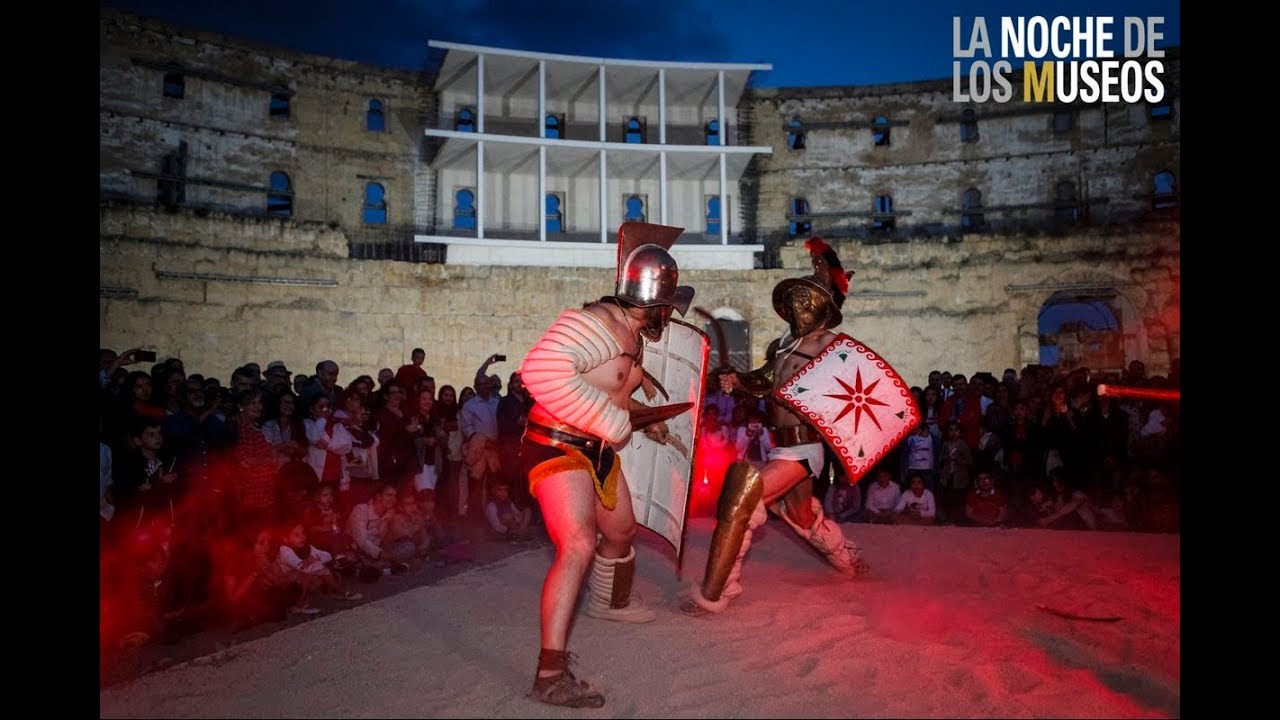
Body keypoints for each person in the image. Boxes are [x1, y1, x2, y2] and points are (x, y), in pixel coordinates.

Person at [518, 222, 696, 708]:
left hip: (595, 448)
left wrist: (644, 417)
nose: (668, 315)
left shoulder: (633, 333)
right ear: (654, 302)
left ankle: (608, 603)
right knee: (577, 543)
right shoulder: (594, 323)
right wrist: (614, 421)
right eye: (667, 306)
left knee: (621, 532)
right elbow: (539, 372)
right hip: (557, 444)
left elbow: (612, 389)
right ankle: (549, 674)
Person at [683, 237, 870, 617]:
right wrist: (738, 380)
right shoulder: (784, 346)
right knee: (800, 515)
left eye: (806, 296)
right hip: (780, 444)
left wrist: (829, 276)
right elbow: (765, 379)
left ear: (819, 305)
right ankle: (849, 560)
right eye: (798, 296)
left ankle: (719, 590)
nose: (797, 303)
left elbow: (850, 392)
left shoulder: (828, 344)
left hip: (805, 448)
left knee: (744, 498)